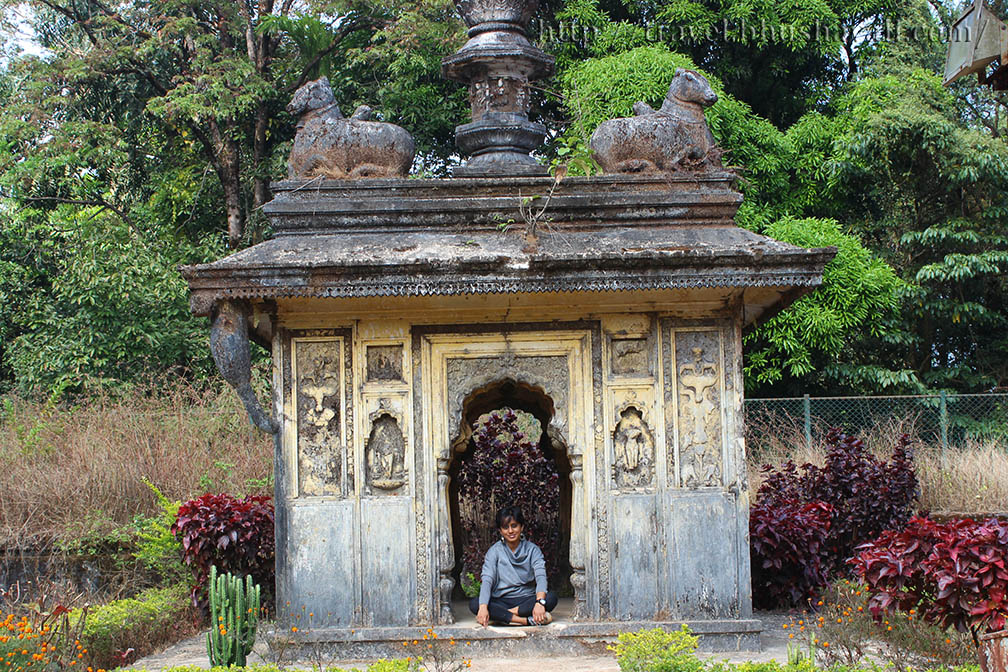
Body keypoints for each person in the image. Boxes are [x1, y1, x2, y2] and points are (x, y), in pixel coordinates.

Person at [469, 505, 559, 626]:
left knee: (551, 598)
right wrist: (483, 607)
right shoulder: (494, 551)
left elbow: (541, 576)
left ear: (521, 527)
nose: (510, 531)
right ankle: (525, 620)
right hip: (501, 599)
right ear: (500, 531)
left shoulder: (533, 550)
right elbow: (487, 579)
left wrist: (539, 603)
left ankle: (502, 616)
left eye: (514, 526)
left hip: (525, 599)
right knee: (475, 604)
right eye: (506, 527)